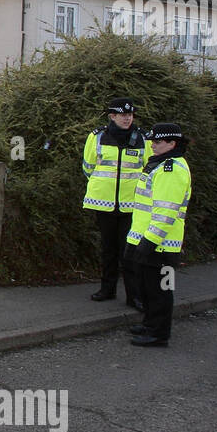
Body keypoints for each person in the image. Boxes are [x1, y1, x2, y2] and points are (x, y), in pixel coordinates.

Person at [125, 123, 192, 347]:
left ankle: (158, 333)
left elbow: (165, 212)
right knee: (147, 288)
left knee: (161, 290)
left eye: (158, 142)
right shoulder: (159, 165)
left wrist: (149, 242)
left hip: (161, 244)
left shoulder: (170, 169)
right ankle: (150, 324)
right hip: (147, 239)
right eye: (152, 141)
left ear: (172, 144)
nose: (152, 145)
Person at [81, 98, 150, 306]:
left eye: (130, 115)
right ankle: (107, 289)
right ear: (112, 116)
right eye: (122, 115)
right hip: (104, 203)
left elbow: (148, 169)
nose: (127, 118)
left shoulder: (143, 139)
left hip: (132, 205)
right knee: (108, 250)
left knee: (129, 251)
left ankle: (134, 296)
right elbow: (88, 166)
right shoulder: (97, 137)